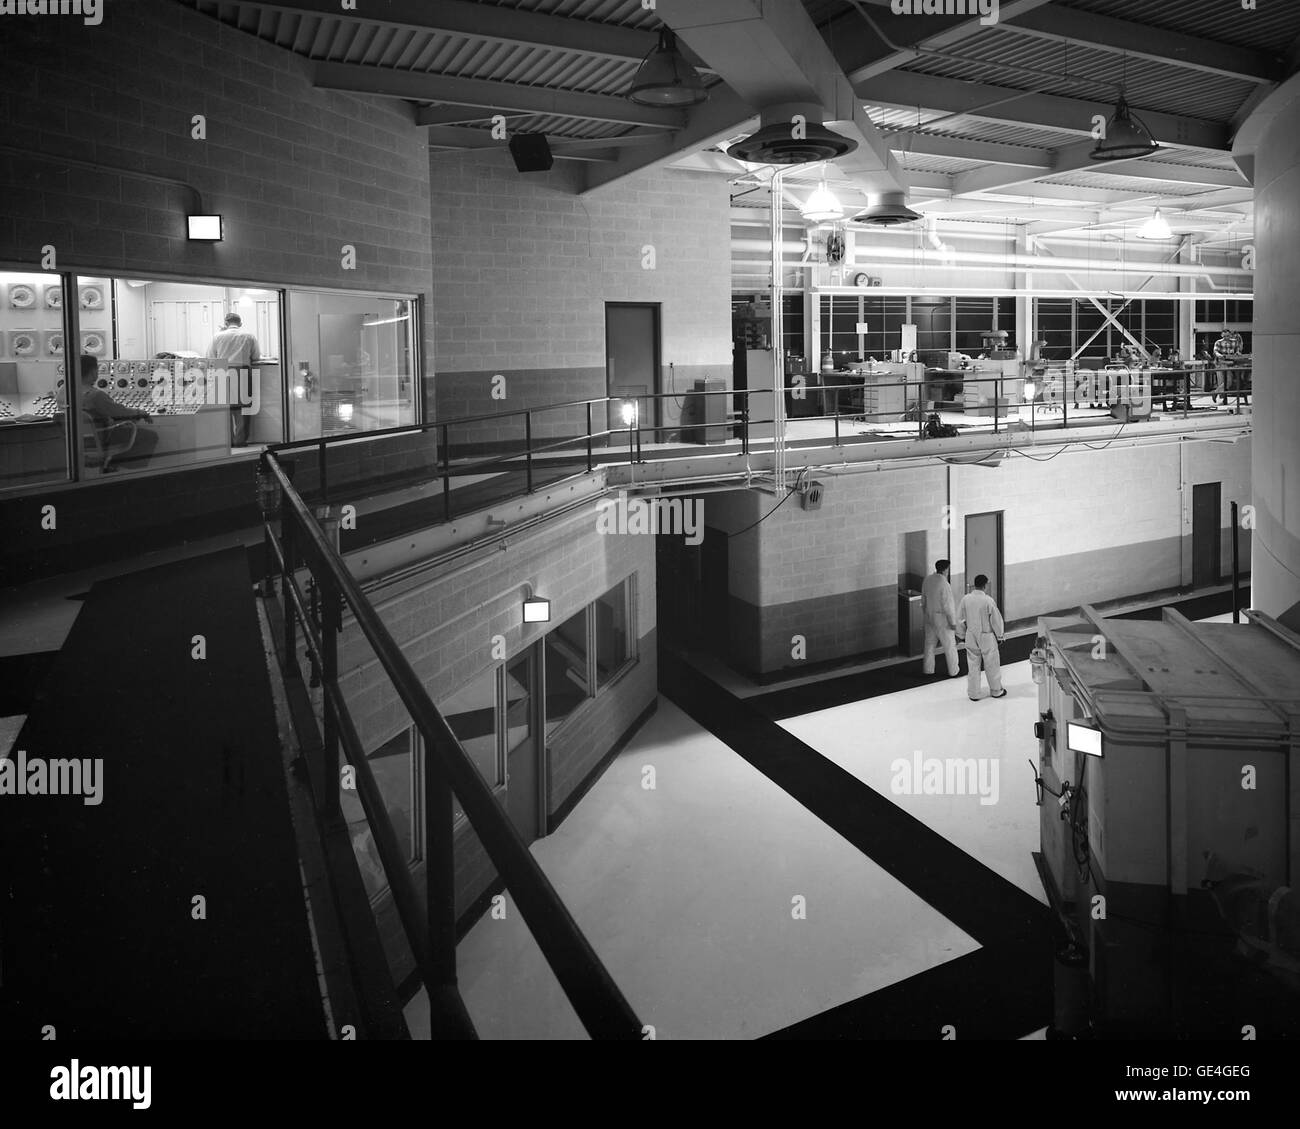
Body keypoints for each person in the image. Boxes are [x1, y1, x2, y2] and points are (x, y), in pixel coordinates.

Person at [78, 353, 157, 472]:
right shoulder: (95, 395)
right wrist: (141, 412)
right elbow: (119, 412)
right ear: (94, 372)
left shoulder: (63, 393)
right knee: (149, 436)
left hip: (78, 441)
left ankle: (110, 465)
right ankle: (129, 473)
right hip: (103, 438)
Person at [208, 311, 260, 446]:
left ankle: (227, 441)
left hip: (222, 372)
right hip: (242, 372)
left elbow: (210, 357)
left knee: (225, 409)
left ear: (225, 323)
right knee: (243, 408)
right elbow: (256, 357)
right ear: (240, 323)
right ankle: (240, 440)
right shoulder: (249, 336)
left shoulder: (217, 336)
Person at [957, 574, 1006, 701]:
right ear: (985, 585)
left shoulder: (966, 599)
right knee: (991, 663)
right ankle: (996, 690)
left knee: (973, 664)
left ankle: (974, 693)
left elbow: (960, 619)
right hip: (986, 635)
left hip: (971, 634)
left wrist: (962, 635)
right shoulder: (988, 600)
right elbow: (996, 620)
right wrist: (1000, 636)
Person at [920, 558, 960, 678]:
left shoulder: (927, 580)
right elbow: (948, 605)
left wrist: (926, 614)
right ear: (946, 570)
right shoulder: (944, 584)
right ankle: (954, 671)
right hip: (942, 620)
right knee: (949, 646)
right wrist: (953, 622)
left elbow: (923, 600)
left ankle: (928, 670)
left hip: (929, 617)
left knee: (929, 645)